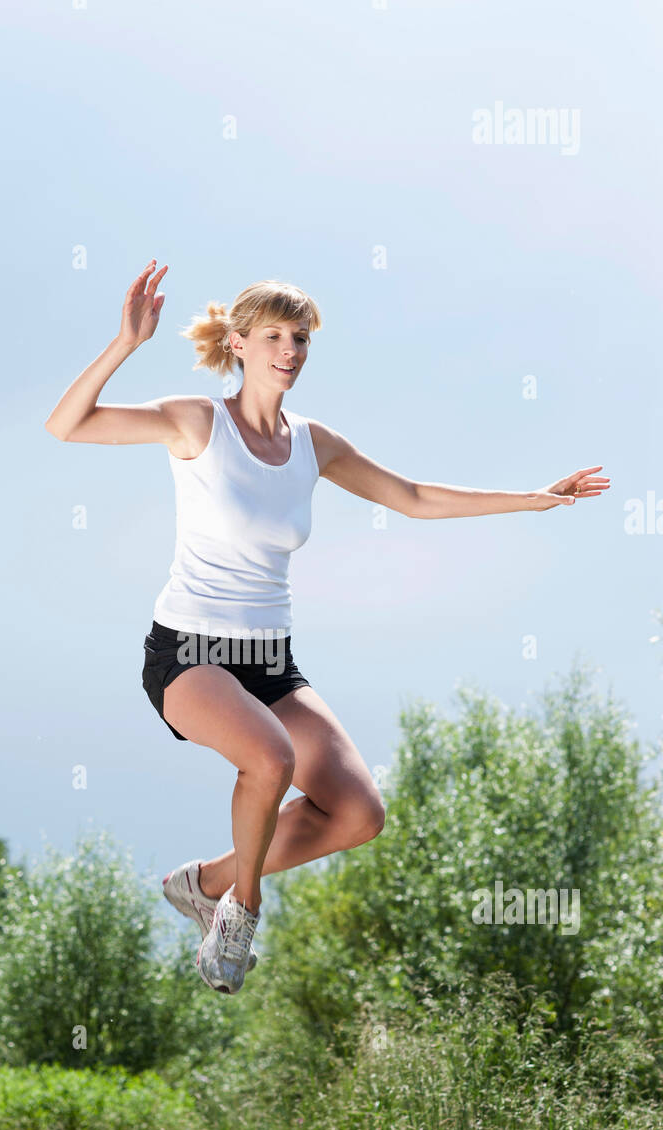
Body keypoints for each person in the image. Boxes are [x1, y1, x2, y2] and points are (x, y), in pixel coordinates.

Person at [44, 258, 609, 997]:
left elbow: (411, 496)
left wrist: (532, 499)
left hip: (270, 663)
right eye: (275, 335)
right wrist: (125, 345)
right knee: (270, 759)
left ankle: (203, 882)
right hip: (188, 656)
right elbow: (67, 425)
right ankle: (241, 906)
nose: (290, 350)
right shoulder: (195, 422)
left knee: (357, 813)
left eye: (302, 338)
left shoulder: (314, 443)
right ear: (239, 344)